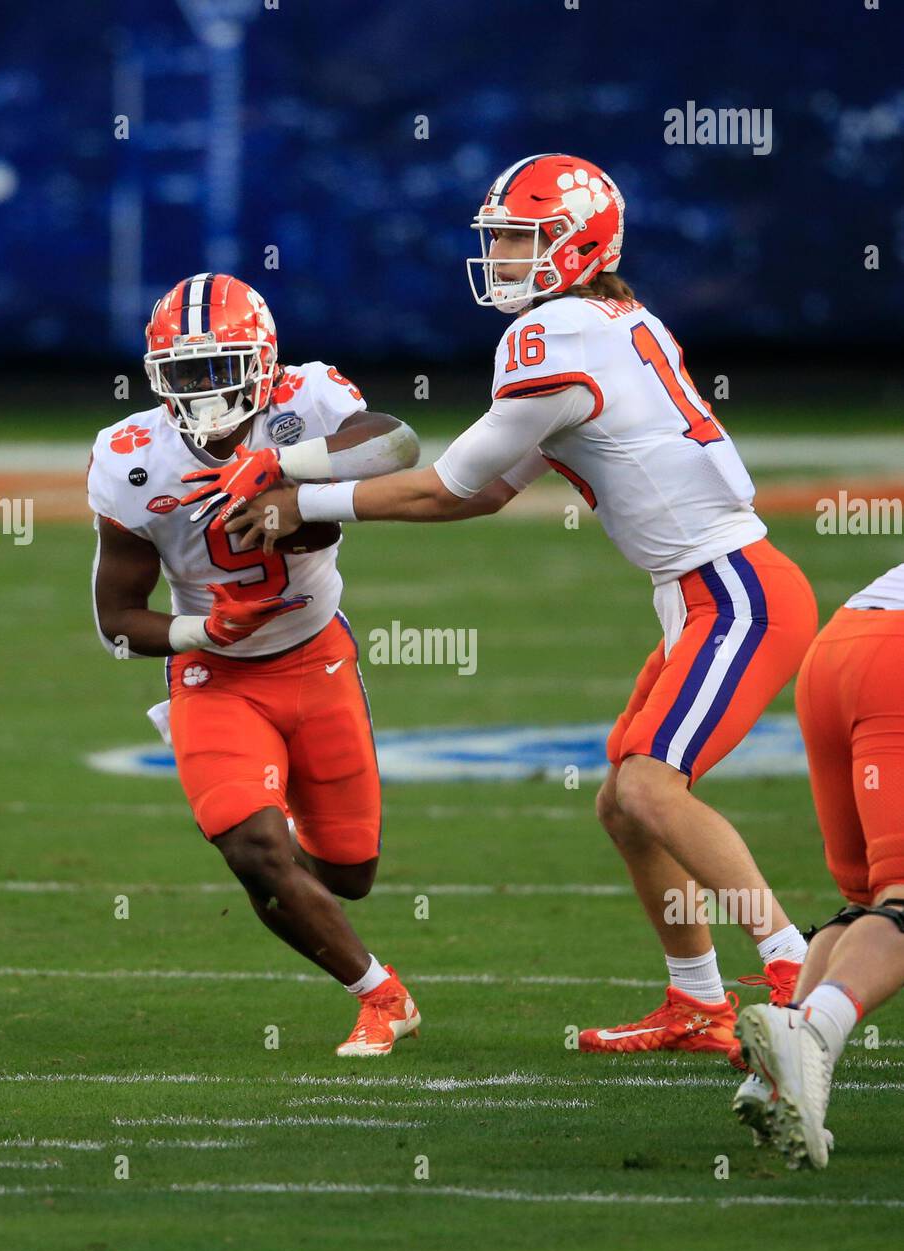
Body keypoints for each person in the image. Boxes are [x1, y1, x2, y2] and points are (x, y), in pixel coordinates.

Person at [236, 155, 819, 1063]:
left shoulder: (552, 336)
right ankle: (697, 1003)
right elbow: (488, 493)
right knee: (624, 805)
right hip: (702, 592)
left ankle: (791, 969)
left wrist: (300, 499)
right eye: (498, 237)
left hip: (735, 593)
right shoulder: (611, 318)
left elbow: (448, 485)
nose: (501, 255)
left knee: (648, 788)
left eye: (518, 236)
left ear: (576, 243)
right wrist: (309, 482)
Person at [89, 271, 434, 1056]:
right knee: (251, 849)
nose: (205, 390)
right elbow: (116, 623)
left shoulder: (303, 400)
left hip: (318, 661)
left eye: (221, 368)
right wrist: (199, 632)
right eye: (184, 374)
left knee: (347, 875)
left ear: (265, 361)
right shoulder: (130, 458)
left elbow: (396, 443)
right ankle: (380, 995)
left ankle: (291, 881)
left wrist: (290, 467)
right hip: (217, 678)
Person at [734, 565, 904, 1167]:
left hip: (842, 645)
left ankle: (777, 1076)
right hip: (893, 666)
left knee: (871, 904)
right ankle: (812, 1030)